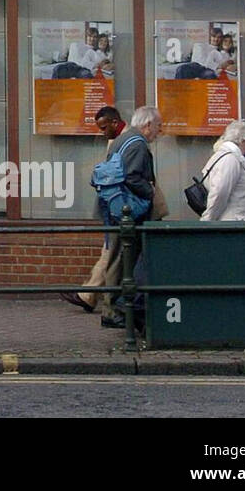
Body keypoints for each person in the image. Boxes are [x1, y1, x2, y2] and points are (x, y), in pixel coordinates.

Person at [60, 106, 127, 313]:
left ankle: (92, 296)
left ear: (115, 123)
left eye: (104, 127)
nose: (102, 132)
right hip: (116, 205)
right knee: (109, 250)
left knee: (111, 251)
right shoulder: (118, 138)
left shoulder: (124, 141)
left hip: (121, 206)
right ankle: (89, 294)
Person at [98, 106, 160, 329]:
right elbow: (133, 176)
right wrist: (150, 191)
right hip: (127, 210)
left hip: (115, 205)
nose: (158, 132)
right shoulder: (138, 145)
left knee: (119, 256)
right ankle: (113, 309)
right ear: (148, 125)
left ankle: (116, 306)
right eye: (158, 127)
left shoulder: (123, 140)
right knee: (120, 259)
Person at [200, 120, 245, 222]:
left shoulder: (226, 157)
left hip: (235, 221)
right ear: (241, 141)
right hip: (234, 223)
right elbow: (220, 193)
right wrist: (207, 220)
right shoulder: (230, 159)